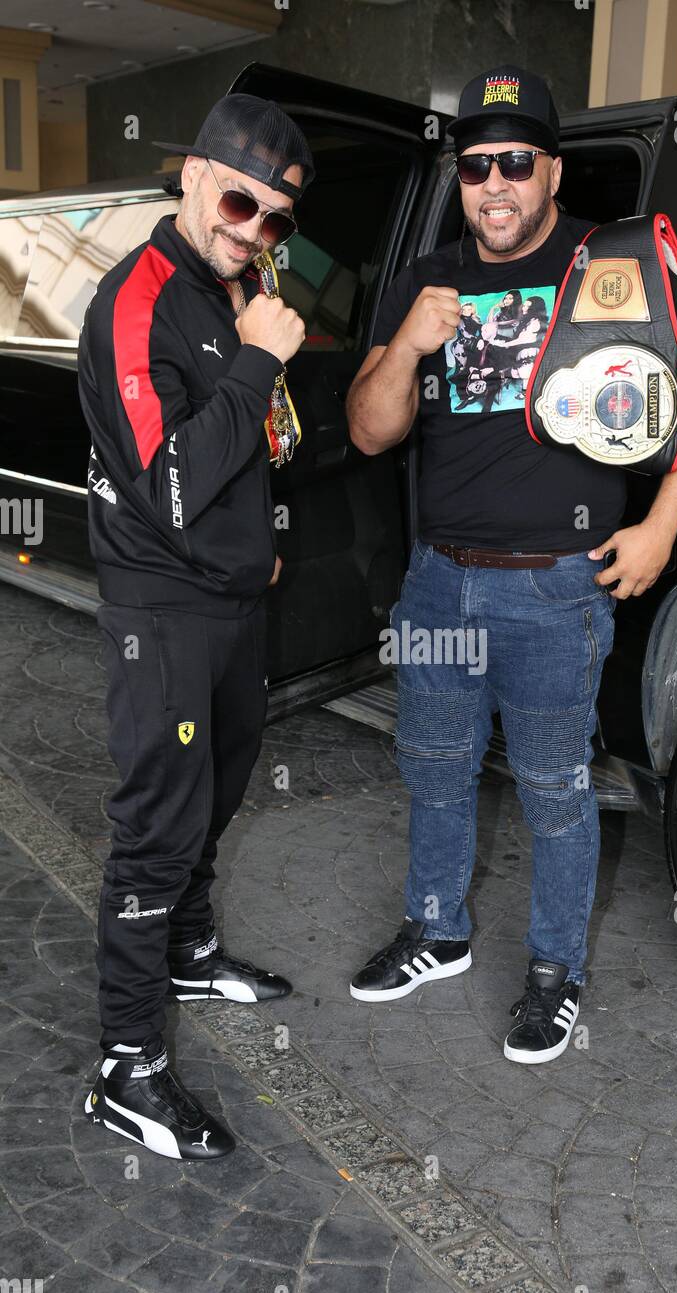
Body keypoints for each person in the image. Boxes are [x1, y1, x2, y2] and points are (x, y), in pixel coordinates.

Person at [346, 66, 677, 1064]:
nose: (495, 183)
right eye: (476, 166)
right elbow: (370, 429)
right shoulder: (423, 279)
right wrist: (404, 347)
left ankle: (555, 973)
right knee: (430, 768)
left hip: (556, 584)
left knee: (554, 789)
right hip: (439, 577)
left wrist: (661, 529)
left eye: (516, 161)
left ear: (551, 170)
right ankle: (438, 930)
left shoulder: (610, 262)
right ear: (460, 179)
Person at [76, 94, 313, 1159]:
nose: (252, 230)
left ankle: (189, 946)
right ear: (189, 174)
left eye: (275, 220)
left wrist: (255, 542)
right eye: (238, 200)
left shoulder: (241, 283)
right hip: (158, 610)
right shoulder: (135, 301)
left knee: (216, 791)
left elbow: (243, 449)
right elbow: (169, 485)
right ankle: (127, 1066)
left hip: (229, 599)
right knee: (156, 829)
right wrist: (258, 357)